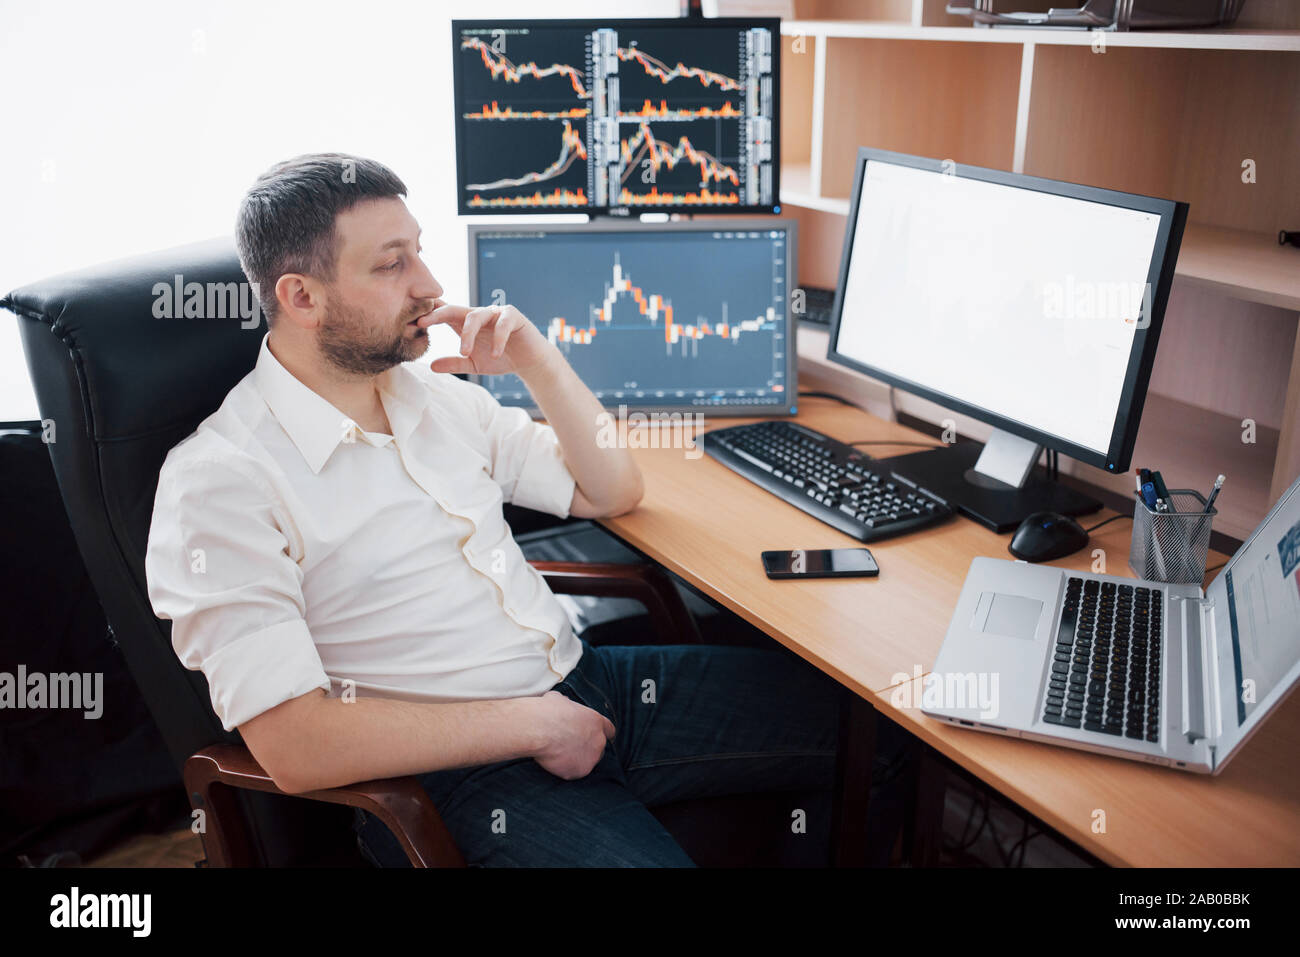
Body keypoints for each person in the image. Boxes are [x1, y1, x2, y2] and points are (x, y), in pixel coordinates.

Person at [145, 153, 900, 867]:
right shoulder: (222, 481)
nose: (430, 284)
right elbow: (296, 744)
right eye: (391, 263)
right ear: (301, 296)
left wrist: (537, 359)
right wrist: (533, 723)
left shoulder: (432, 398)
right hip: (460, 770)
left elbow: (611, 490)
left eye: (419, 250)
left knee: (883, 733)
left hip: (589, 687)